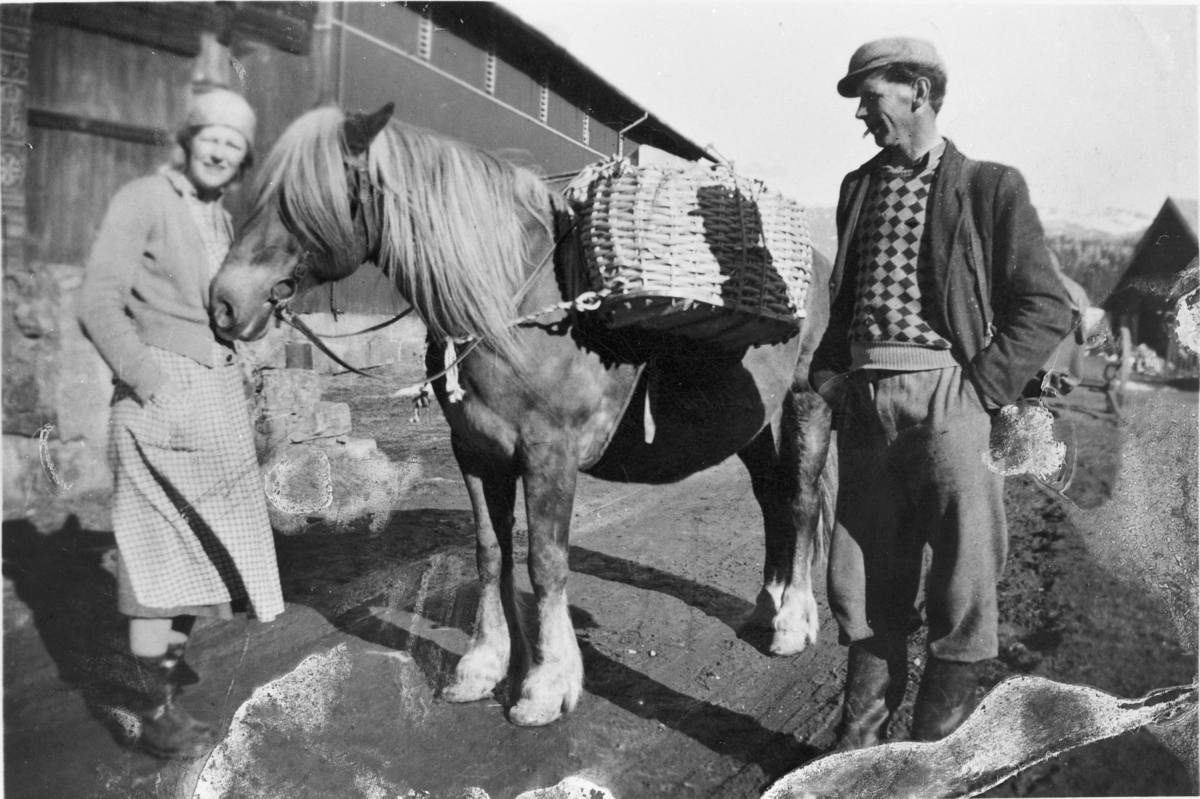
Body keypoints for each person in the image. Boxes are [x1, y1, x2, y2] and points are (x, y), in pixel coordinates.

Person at [809, 38, 1075, 750]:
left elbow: (1046, 306)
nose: (862, 112)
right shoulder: (856, 186)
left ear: (919, 91)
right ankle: (853, 760)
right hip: (866, 409)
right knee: (864, 586)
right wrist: (830, 377)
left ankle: (930, 766)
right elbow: (846, 302)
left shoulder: (989, 186)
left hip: (948, 403)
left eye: (872, 95)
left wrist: (979, 389)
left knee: (963, 586)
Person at [79, 88, 284, 759]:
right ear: (189, 138)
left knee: (203, 556)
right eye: (211, 137)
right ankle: (150, 705)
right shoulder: (143, 200)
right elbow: (97, 302)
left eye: (235, 143)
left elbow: (231, 313)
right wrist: (150, 379)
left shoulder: (224, 221)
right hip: (157, 404)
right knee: (154, 564)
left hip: (216, 407)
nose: (221, 150)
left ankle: (151, 683)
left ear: (243, 156)